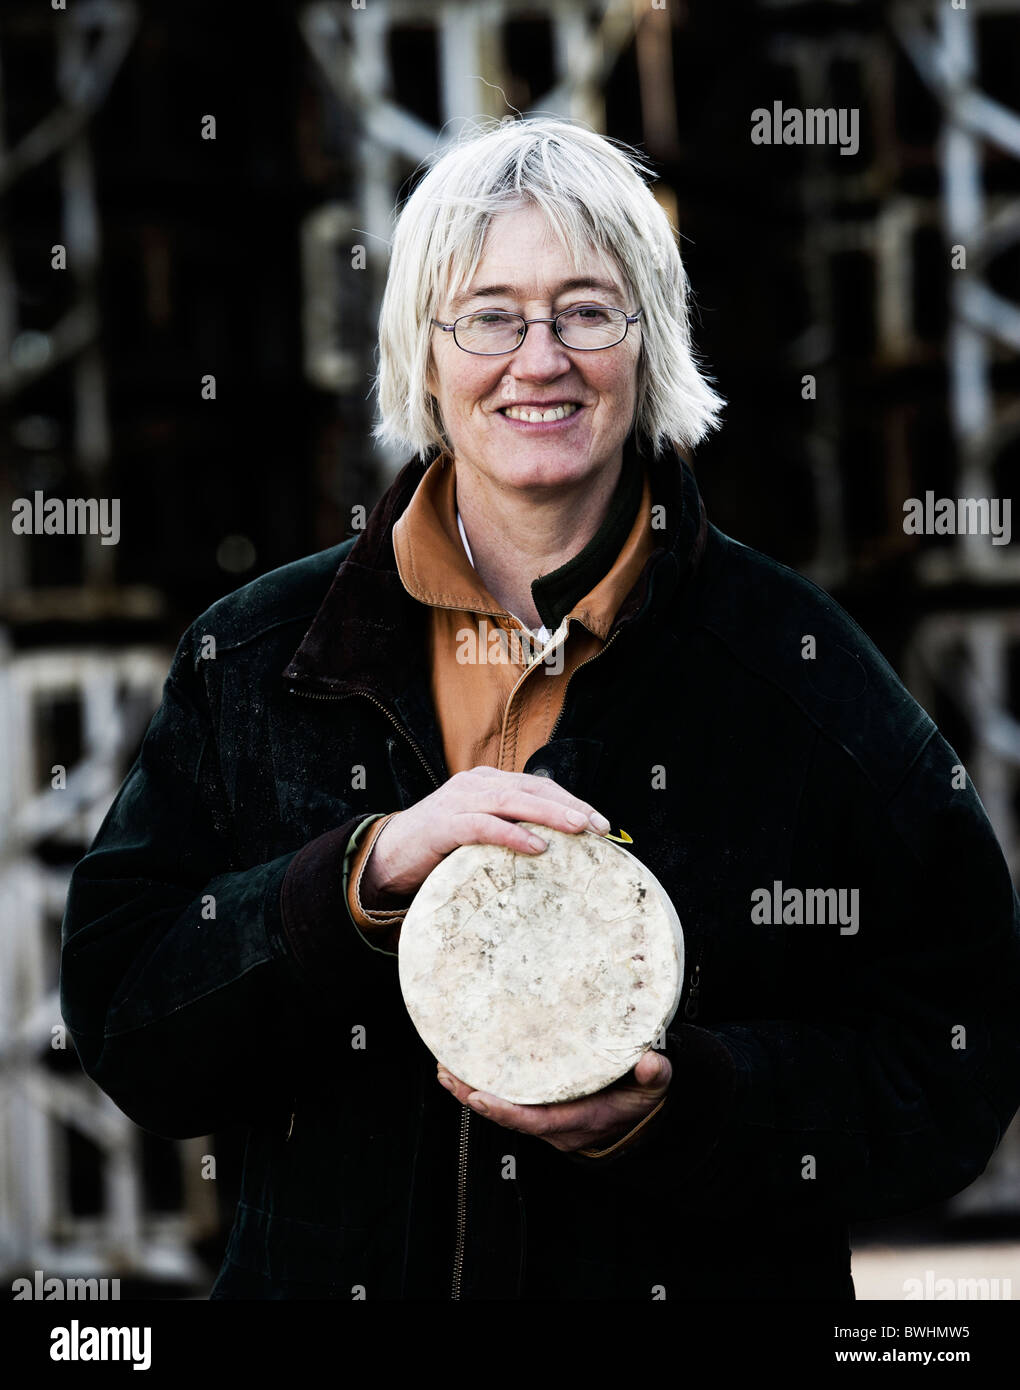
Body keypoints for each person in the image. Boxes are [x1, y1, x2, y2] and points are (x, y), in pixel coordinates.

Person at [60, 115, 1020, 1301]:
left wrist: (694, 1103)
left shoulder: (800, 671)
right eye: (490, 315)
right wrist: (353, 880)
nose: (539, 357)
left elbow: (958, 1055)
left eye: (585, 309)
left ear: (649, 341)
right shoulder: (256, 657)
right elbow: (127, 1023)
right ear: (423, 351)